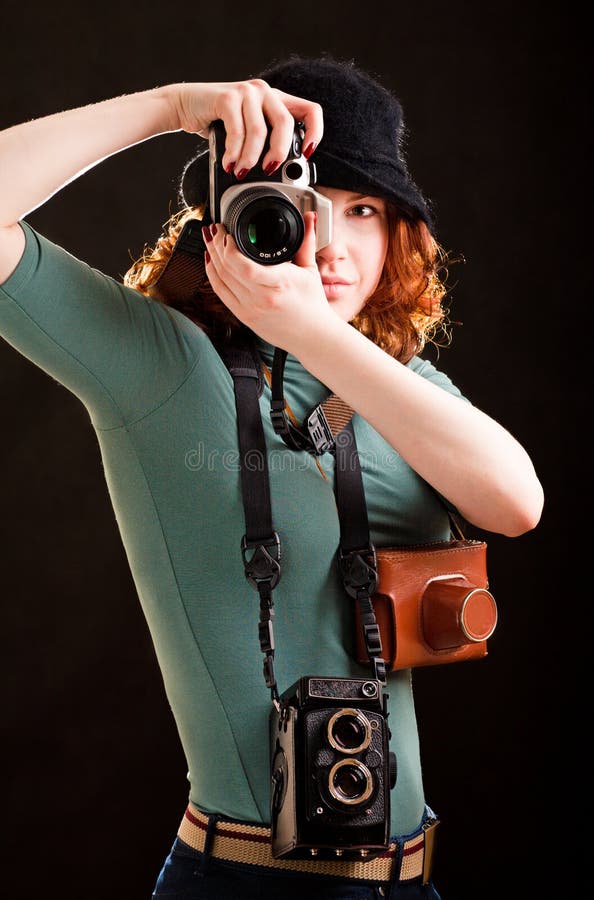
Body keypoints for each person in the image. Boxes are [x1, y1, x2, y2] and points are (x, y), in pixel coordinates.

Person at [0, 53, 544, 900]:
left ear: (397, 233)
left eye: (363, 209)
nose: (329, 242)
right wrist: (172, 105)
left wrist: (319, 336)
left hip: (409, 879)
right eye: (302, 206)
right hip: (245, 879)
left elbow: (516, 503)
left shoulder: (395, 386)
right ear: (225, 227)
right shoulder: (168, 369)